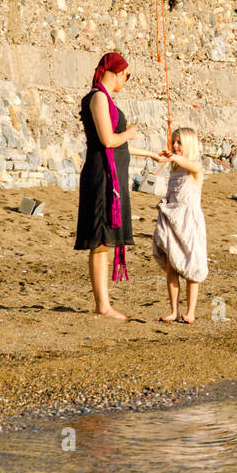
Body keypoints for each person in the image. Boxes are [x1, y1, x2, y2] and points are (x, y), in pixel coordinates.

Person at [77, 52, 150, 320]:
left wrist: (152, 155)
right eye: (127, 75)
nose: (127, 80)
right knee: (100, 241)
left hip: (112, 177)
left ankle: (104, 304)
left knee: (104, 240)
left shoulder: (105, 99)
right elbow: (108, 140)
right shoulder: (98, 98)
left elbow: (120, 145)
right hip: (102, 177)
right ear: (116, 72)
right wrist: (129, 133)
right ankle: (103, 306)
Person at [151, 126, 207, 324]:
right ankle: (174, 310)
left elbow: (195, 167)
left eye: (179, 143)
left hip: (189, 223)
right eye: (173, 142)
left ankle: (190, 312)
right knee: (172, 266)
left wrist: (174, 158)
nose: (175, 146)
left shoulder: (194, 170)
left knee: (193, 267)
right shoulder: (174, 170)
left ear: (188, 145)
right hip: (173, 221)